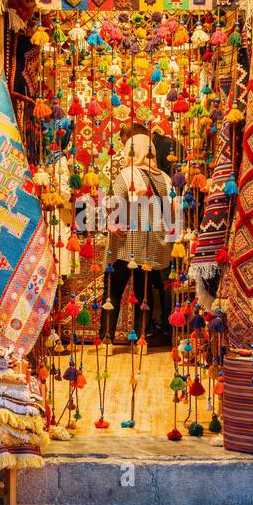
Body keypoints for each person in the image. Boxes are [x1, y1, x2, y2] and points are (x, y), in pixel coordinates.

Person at [103, 126, 174, 346]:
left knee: (112, 291)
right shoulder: (164, 178)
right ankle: (141, 338)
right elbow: (172, 212)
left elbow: (112, 204)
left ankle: (107, 338)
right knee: (143, 293)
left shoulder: (128, 174)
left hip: (126, 245)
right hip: (152, 247)